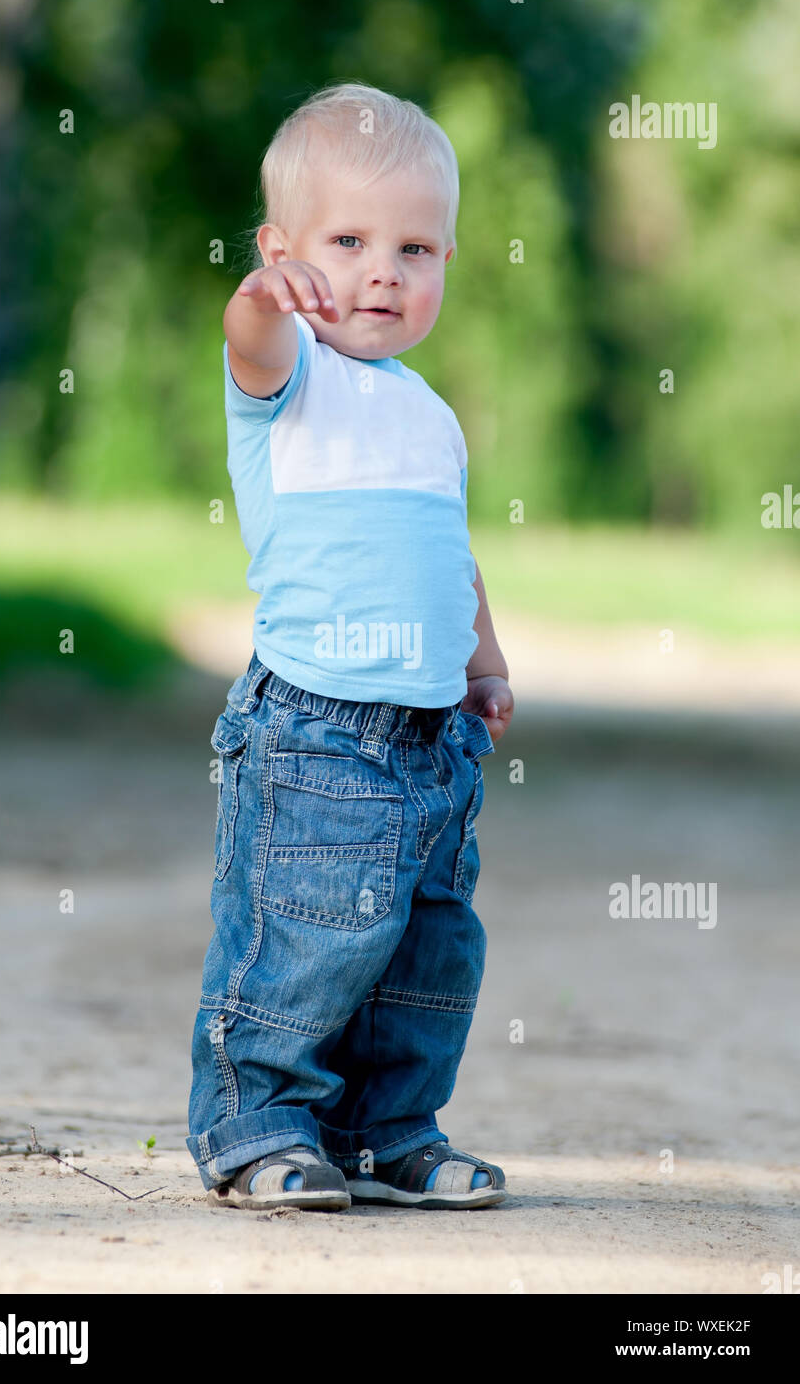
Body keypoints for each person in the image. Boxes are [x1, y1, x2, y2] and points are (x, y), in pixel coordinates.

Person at [186, 81, 514, 1211]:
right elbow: (249, 337)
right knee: (304, 941)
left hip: (433, 745)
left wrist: (482, 662)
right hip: (314, 731)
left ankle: (389, 1131)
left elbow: (448, 554)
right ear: (283, 251)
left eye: (414, 247)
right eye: (347, 241)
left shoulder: (428, 412)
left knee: (425, 960)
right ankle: (256, 1123)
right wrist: (263, 300)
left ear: (445, 263)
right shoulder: (288, 378)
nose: (383, 270)